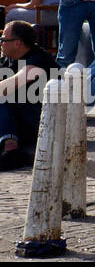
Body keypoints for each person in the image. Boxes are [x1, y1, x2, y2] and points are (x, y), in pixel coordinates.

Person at [0, 21, 57, 168]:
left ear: (17, 43)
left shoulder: (37, 59)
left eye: (3, 40)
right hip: (25, 117)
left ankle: (11, 149)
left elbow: (10, 85)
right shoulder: (10, 59)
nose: (1, 43)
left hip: (47, 123)